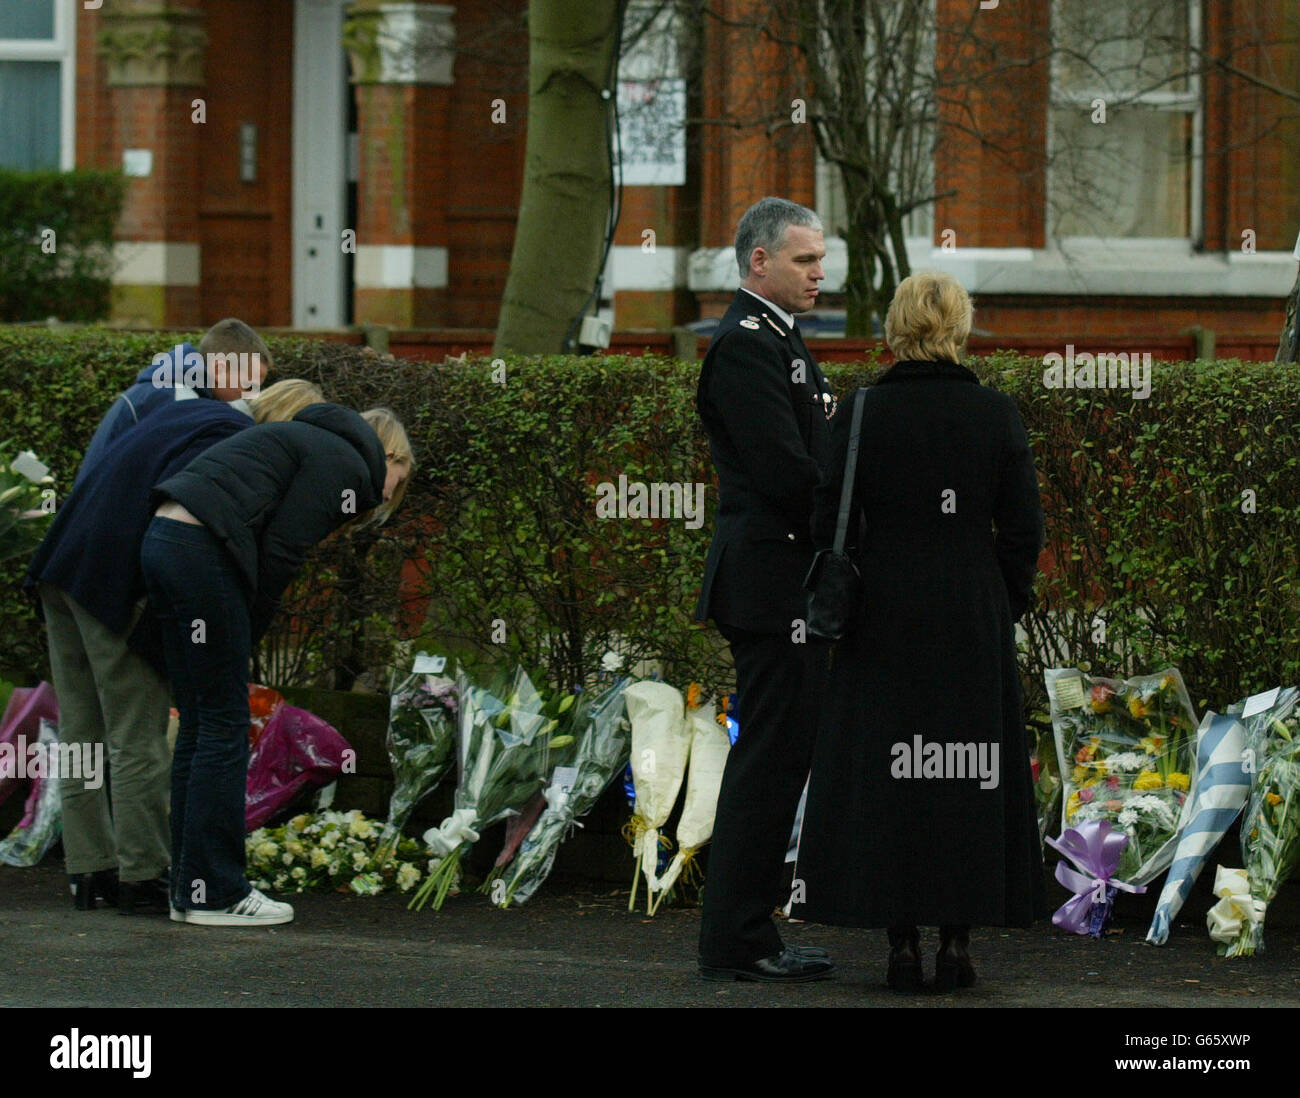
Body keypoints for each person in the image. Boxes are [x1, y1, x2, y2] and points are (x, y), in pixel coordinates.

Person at [794, 270, 1047, 991]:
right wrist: (1003, 598)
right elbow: (1024, 528)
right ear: (960, 327)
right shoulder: (996, 414)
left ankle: (900, 943)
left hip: (883, 608)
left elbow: (826, 516)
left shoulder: (863, 411)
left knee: (891, 772)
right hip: (970, 608)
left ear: (896, 326)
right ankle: (957, 943)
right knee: (967, 773)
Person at [25, 324, 272, 914]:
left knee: (82, 730)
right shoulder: (212, 421)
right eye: (251, 380)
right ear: (225, 367)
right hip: (109, 579)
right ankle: (144, 875)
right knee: (136, 732)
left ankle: (90, 872)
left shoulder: (147, 397)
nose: (252, 396)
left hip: (62, 564)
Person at [140, 402, 414, 927]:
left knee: (201, 723)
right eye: (396, 480)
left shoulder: (301, 440)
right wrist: (248, 631)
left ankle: (190, 888)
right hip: (202, 549)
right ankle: (218, 893)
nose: (386, 495)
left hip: (165, 538)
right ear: (388, 454)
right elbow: (284, 550)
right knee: (223, 723)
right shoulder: (350, 467)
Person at [694, 196, 838, 982]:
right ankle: (739, 940)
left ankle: (751, 934)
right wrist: (848, 518)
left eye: (819, 258)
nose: (821, 273)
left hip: (784, 580)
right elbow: (784, 471)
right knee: (768, 761)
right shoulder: (746, 346)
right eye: (805, 260)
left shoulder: (778, 339)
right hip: (771, 583)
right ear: (759, 261)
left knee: (779, 758)